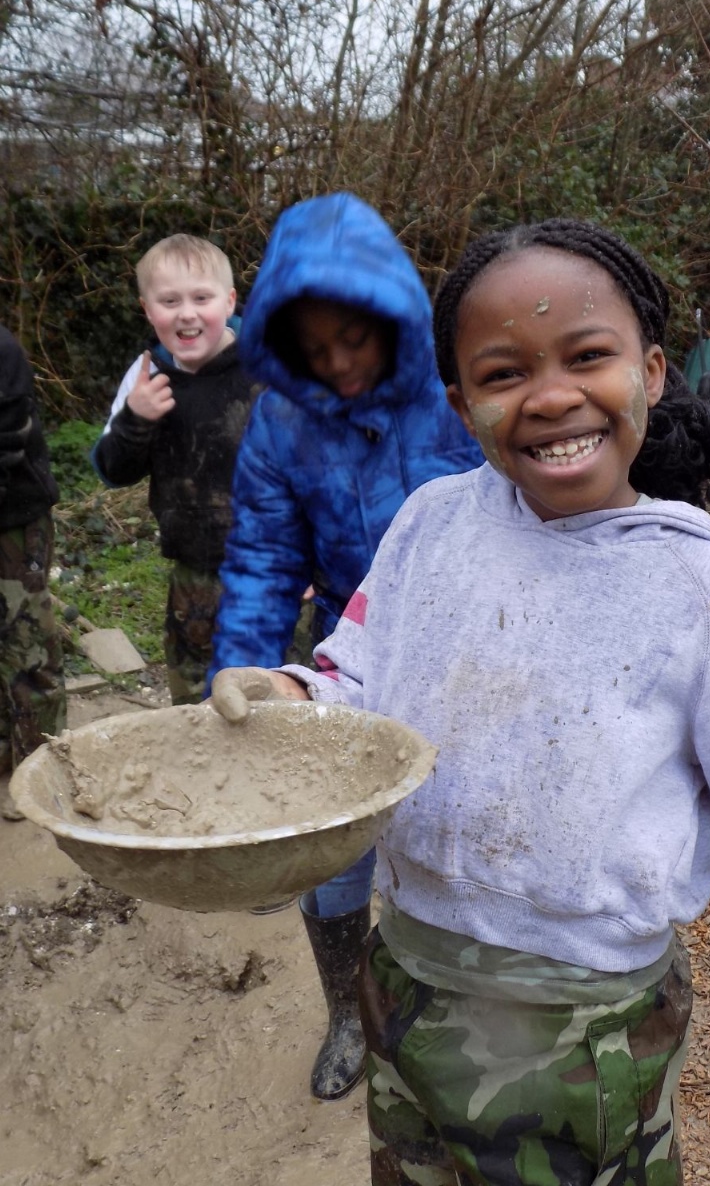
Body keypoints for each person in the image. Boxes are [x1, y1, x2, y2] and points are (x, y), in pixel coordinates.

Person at [211, 219, 710, 1185]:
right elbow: (355, 682)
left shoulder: (699, 589)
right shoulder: (427, 529)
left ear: (650, 372)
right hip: (403, 986)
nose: (551, 395)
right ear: (461, 404)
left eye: (586, 357)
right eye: (504, 373)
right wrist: (292, 697)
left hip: (587, 1034)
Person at [208, 191, 482, 1103]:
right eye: (315, 349)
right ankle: (346, 1011)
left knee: (461, 839)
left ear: (393, 318)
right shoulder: (281, 425)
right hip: (347, 662)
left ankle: (464, 1003)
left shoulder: (459, 396)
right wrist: (238, 689)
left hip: (473, 657)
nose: (338, 365)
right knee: (330, 861)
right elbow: (263, 561)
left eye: (354, 340)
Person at [91, 234, 262, 707]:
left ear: (229, 301)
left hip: (271, 569)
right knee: (195, 706)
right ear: (148, 310)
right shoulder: (145, 376)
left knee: (275, 700)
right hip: (193, 576)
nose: (187, 314)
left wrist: (310, 562)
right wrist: (136, 419)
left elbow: (312, 472)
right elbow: (112, 470)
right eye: (170, 302)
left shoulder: (267, 370)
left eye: (201, 298)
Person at [0, 324, 66, 822]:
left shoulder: (3, 351)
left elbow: (7, 439)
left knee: (27, 650)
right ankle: (8, 749)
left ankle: (41, 769)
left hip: (15, 521)